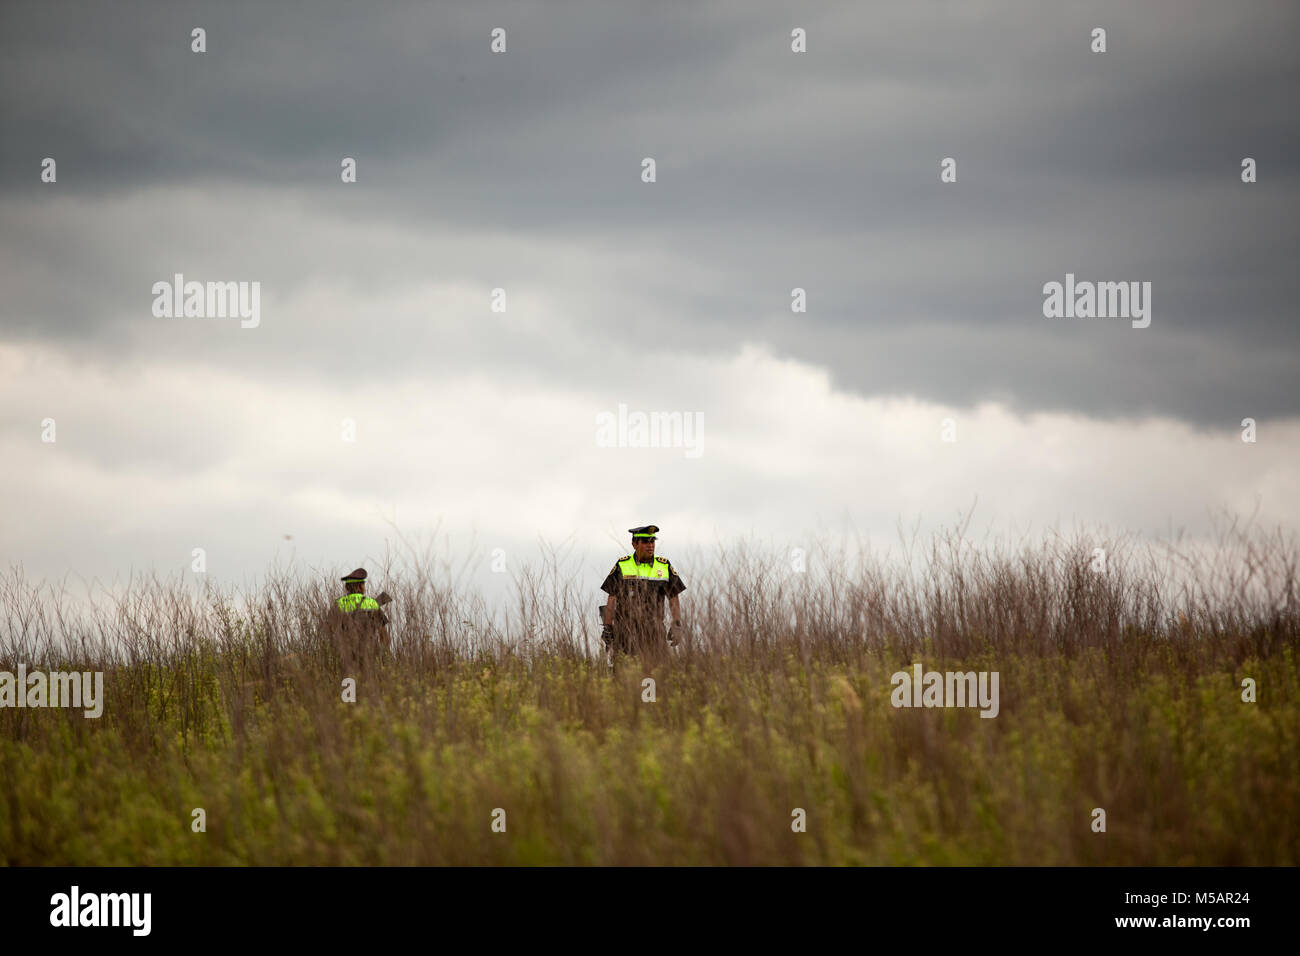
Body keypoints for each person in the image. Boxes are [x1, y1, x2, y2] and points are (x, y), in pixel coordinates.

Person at [599, 526, 685, 664]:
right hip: (625, 630)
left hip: (654, 630)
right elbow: (612, 598)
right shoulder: (623, 565)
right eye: (645, 542)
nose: (650, 546)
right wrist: (608, 628)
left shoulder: (664, 566)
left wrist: (677, 624)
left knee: (657, 673)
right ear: (634, 544)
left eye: (652, 542)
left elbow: (673, 597)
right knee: (624, 672)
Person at [331, 567, 390, 665]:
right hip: (370, 653)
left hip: (346, 655)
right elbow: (383, 633)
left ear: (347, 587)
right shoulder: (371, 603)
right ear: (360, 587)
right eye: (363, 584)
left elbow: (329, 629)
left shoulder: (338, 604)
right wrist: (385, 654)